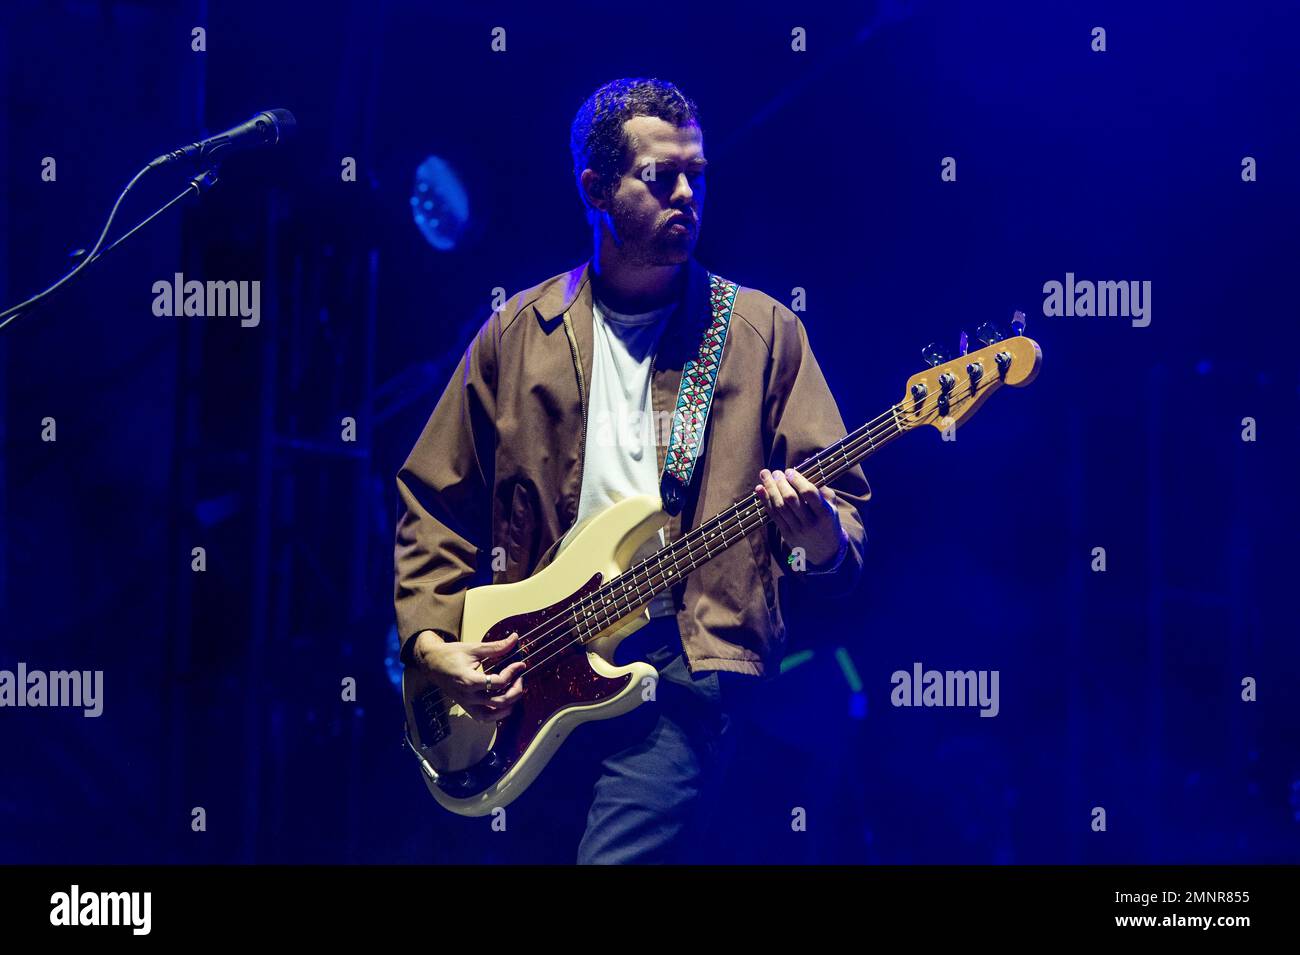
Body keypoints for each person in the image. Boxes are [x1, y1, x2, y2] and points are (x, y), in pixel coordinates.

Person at [395, 77, 870, 863]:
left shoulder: (760, 333)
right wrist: (430, 643)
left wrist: (820, 540)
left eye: (699, 172)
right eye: (660, 176)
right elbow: (431, 495)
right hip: (529, 670)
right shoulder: (517, 334)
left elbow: (840, 514)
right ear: (594, 188)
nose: (687, 192)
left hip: (684, 670)